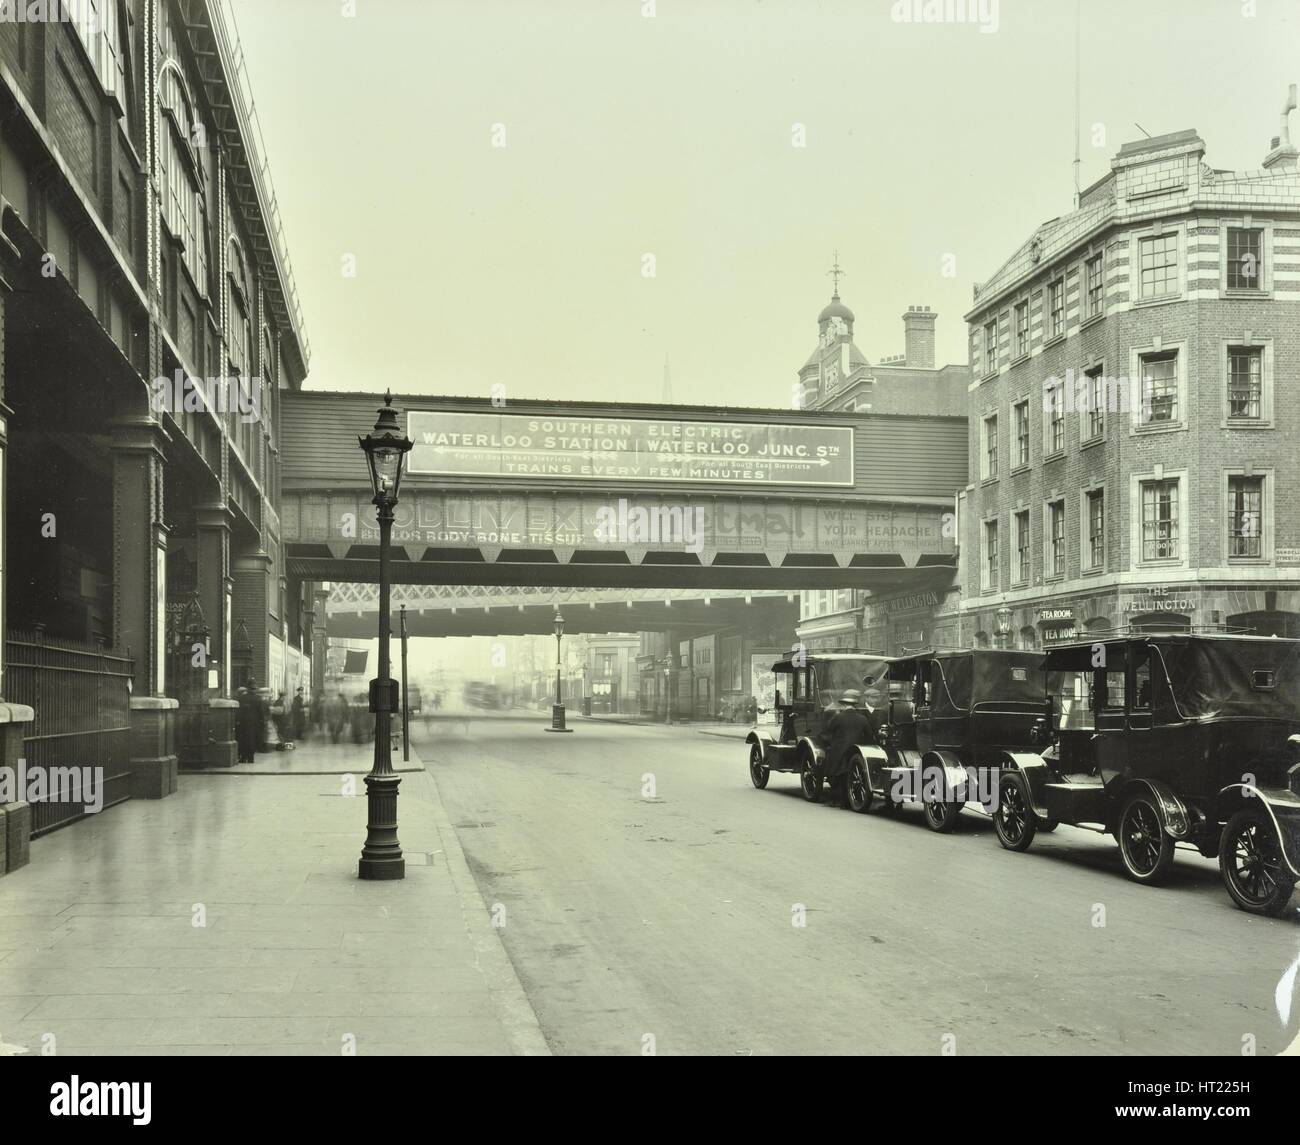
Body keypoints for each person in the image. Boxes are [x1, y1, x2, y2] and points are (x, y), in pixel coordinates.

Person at [822, 690, 880, 809]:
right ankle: (848, 800)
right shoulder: (862, 719)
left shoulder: (838, 717)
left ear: (844, 705)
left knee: (834, 772)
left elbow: (827, 732)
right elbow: (869, 737)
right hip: (855, 752)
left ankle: (835, 800)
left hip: (838, 752)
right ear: (855, 705)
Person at [235, 678, 264, 763]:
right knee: (252, 740)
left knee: (243, 739)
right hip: (255, 723)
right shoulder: (258, 698)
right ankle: (251, 758)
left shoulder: (242, 698)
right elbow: (260, 712)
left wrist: (237, 721)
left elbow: (238, 711)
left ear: (248, 688)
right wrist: (262, 722)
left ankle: (243, 758)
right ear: (255, 688)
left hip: (243, 723)